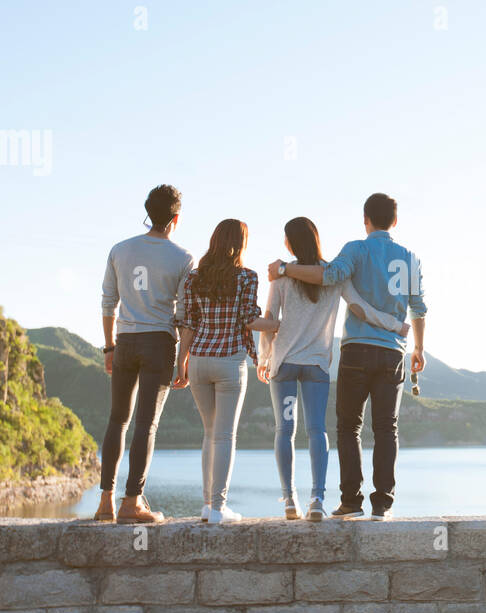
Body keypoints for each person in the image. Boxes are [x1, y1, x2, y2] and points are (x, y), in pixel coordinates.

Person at [268, 193, 426, 521]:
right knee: (386, 428)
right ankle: (382, 505)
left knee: (348, 427)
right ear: (394, 221)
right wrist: (418, 348)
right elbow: (418, 308)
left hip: (355, 350)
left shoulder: (355, 249)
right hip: (393, 354)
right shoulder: (410, 258)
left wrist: (285, 267)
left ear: (365, 219)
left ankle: (351, 502)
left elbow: (328, 276)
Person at [96, 184, 193, 524]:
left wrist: (109, 347)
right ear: (175, 218)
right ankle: (131, 502)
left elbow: (109, 301)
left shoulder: (120, 250)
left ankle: (105, 501)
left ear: (148, 213)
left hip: (125, 341)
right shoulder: (183, 258)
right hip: (159, 343)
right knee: (145, 425)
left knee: (117, 419)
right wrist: (184, 360)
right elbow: (184, 316)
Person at [174, 219, 276, 523]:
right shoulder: (246, 277)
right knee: (225, 435)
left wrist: (181, 362)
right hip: (229, 360)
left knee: (209, 434)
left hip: (200, 359)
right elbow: (249, 320)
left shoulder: (194, 279)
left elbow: (188, 324)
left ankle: (208, 505)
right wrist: (279, 326)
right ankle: (218, 508)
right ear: (240, 244)